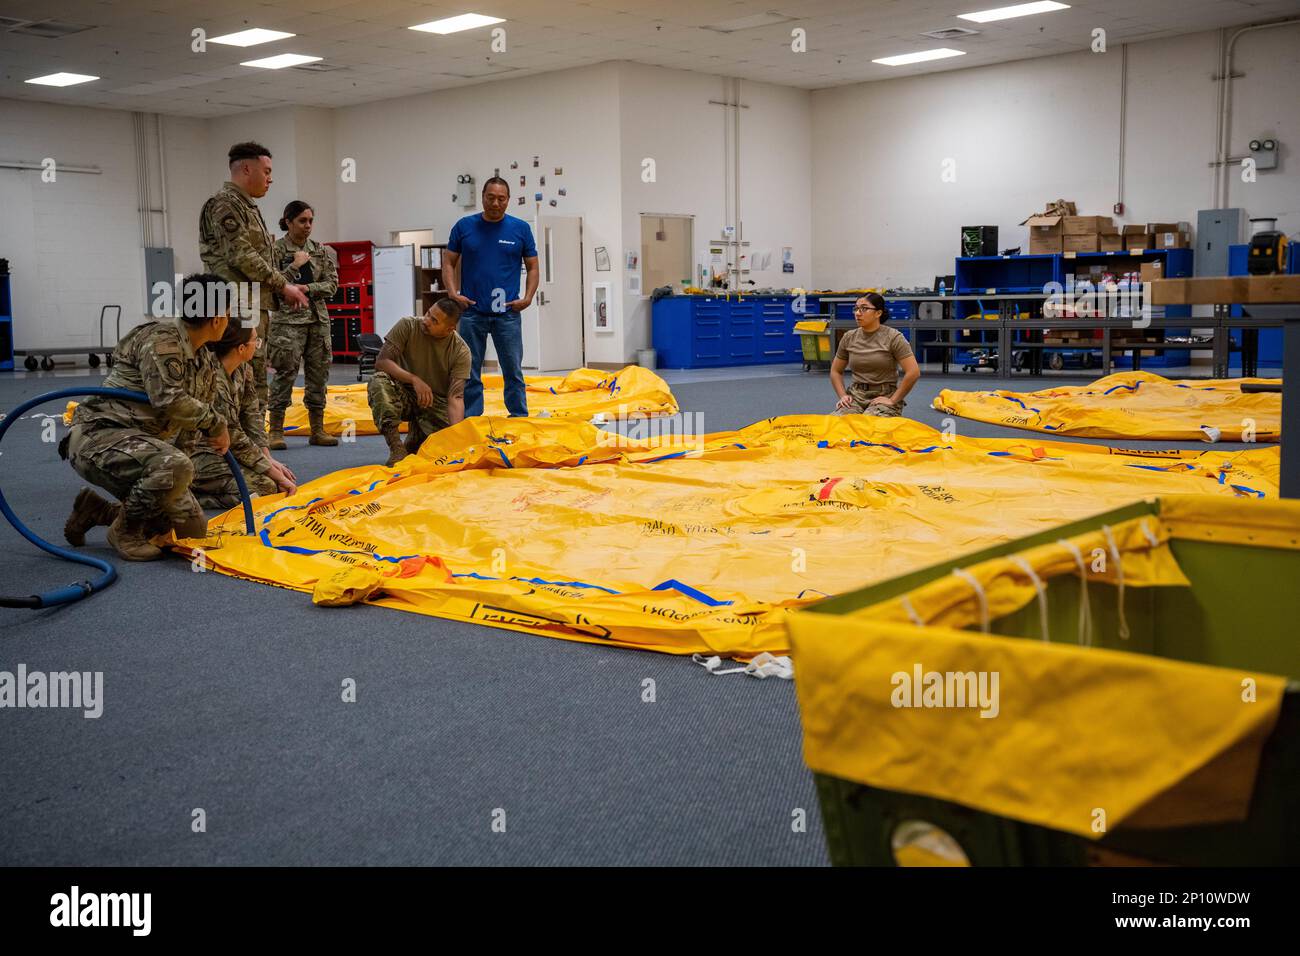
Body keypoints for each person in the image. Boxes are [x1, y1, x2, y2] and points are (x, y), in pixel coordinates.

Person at [62, 274, 232, 561]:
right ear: (217, 318)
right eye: (228, 313)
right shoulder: (161, 340)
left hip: (142, 449)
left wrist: (176, 485)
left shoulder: (203, 362)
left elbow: (188, 429)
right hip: (99, 437)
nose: (229, 319)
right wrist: (216, 423)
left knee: (192, 528)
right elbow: (170, 400)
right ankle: (125, 533)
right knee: (174, 469)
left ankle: (96, 510)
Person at [199, 141, 309, 416]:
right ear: (247, 169)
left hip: (252, 303)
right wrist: (283, 285)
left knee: (254, 376)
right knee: (242, 377)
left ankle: (254, 445)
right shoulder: (225, 204)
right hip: (237, 305)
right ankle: (242, 447)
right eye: (267, 171)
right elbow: (242, 256)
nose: (271, 178)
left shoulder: (245, 206)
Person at [443, 176, 538, 418]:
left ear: (508, 200)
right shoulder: (464, 226)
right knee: (469, 369)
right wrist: (453, 294)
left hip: (507, 314)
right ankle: (472, 418)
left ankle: (518, 416)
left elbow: (534, 266)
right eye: (491, 197)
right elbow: (448, 262)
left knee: (513, 369)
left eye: (501, 198)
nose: (495, 203)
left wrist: (527, 298)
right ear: (483, 197)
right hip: (472, 312)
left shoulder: (521, 229)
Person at [184, 324, 298, 509]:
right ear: (241, 348)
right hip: (198, 453)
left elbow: (251, 415)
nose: (258, 345)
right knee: (266, 487)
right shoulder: (212, 380)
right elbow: (233, 435)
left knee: (274, 484)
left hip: (227, 451)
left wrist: (267, 457)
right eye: (256, 341)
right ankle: (189, 500)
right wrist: (269, 469)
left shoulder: (243, 370)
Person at [268, 200, 339, 449]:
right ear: (288, 222)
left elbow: (332, 285)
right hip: (287, 324)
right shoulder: (274, 250)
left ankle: (317, 430)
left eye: (310, 221)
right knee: (285, 375)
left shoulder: (320, 250)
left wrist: (306, 288)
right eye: (302, 221)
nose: (308, 225)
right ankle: (275, 431)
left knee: (318, 376)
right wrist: (294, 267)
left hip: (317, 321)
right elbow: (271, 286)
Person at [367, 298, 470, 467]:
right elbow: (382, 361)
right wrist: (414, 379)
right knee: (378, 381)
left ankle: (417, 436)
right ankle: (396, 448)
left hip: (433, 402)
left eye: (434, 321)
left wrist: (455, 436)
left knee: (445, 450)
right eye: (428, 313)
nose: (426, 320)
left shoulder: (460, 351)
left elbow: (456, 397)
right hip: (403, 393)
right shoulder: (407, 326)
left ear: (449, 329)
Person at [830, 292, 920, 417]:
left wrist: (893, 400)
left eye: (864, 309)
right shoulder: (849, 337)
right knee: (838, 425)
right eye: (856, 308)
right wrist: (843, 396)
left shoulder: (894, 337)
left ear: (878, 313)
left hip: (884, 395)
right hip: (856, 396)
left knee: (869, 427)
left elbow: (913, 372)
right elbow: (836, 371)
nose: (857, 313)